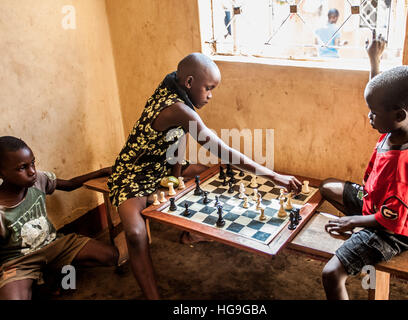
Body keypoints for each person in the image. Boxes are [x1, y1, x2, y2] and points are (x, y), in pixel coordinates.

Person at [107, 52, 303, 299]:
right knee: (136, 234)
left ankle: (199, 231)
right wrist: (274, 176)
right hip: (133, 174)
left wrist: (176, 176)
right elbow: (220, 148)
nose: (210, 96)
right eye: (208, 88)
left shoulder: (173, 82)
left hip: (162, 166)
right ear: (189, 83)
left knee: (216, 173)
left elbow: (177, 138)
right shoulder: (178, 108)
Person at [319, 31, 408, 300]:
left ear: (398, 115)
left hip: (394, 231)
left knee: (331, 274)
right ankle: (361, 233)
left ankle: (364, 239)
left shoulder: (401, 165)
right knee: (327, 187)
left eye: (373, 113)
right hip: (376, 201)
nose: (369, 116)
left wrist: (353, 221)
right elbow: (378, 97)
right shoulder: (398, 124)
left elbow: (391, 219)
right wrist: (373, 60)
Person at [0, 136, 119, 300]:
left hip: (55, 245)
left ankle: (54, 272)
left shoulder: (38, 179)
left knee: (111, 256)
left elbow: (69, 185)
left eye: (33, 163)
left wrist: (101, 171)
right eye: (22, 167)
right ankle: (49, 276)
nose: (32, 171)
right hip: (21, 261)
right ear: (2, 172)